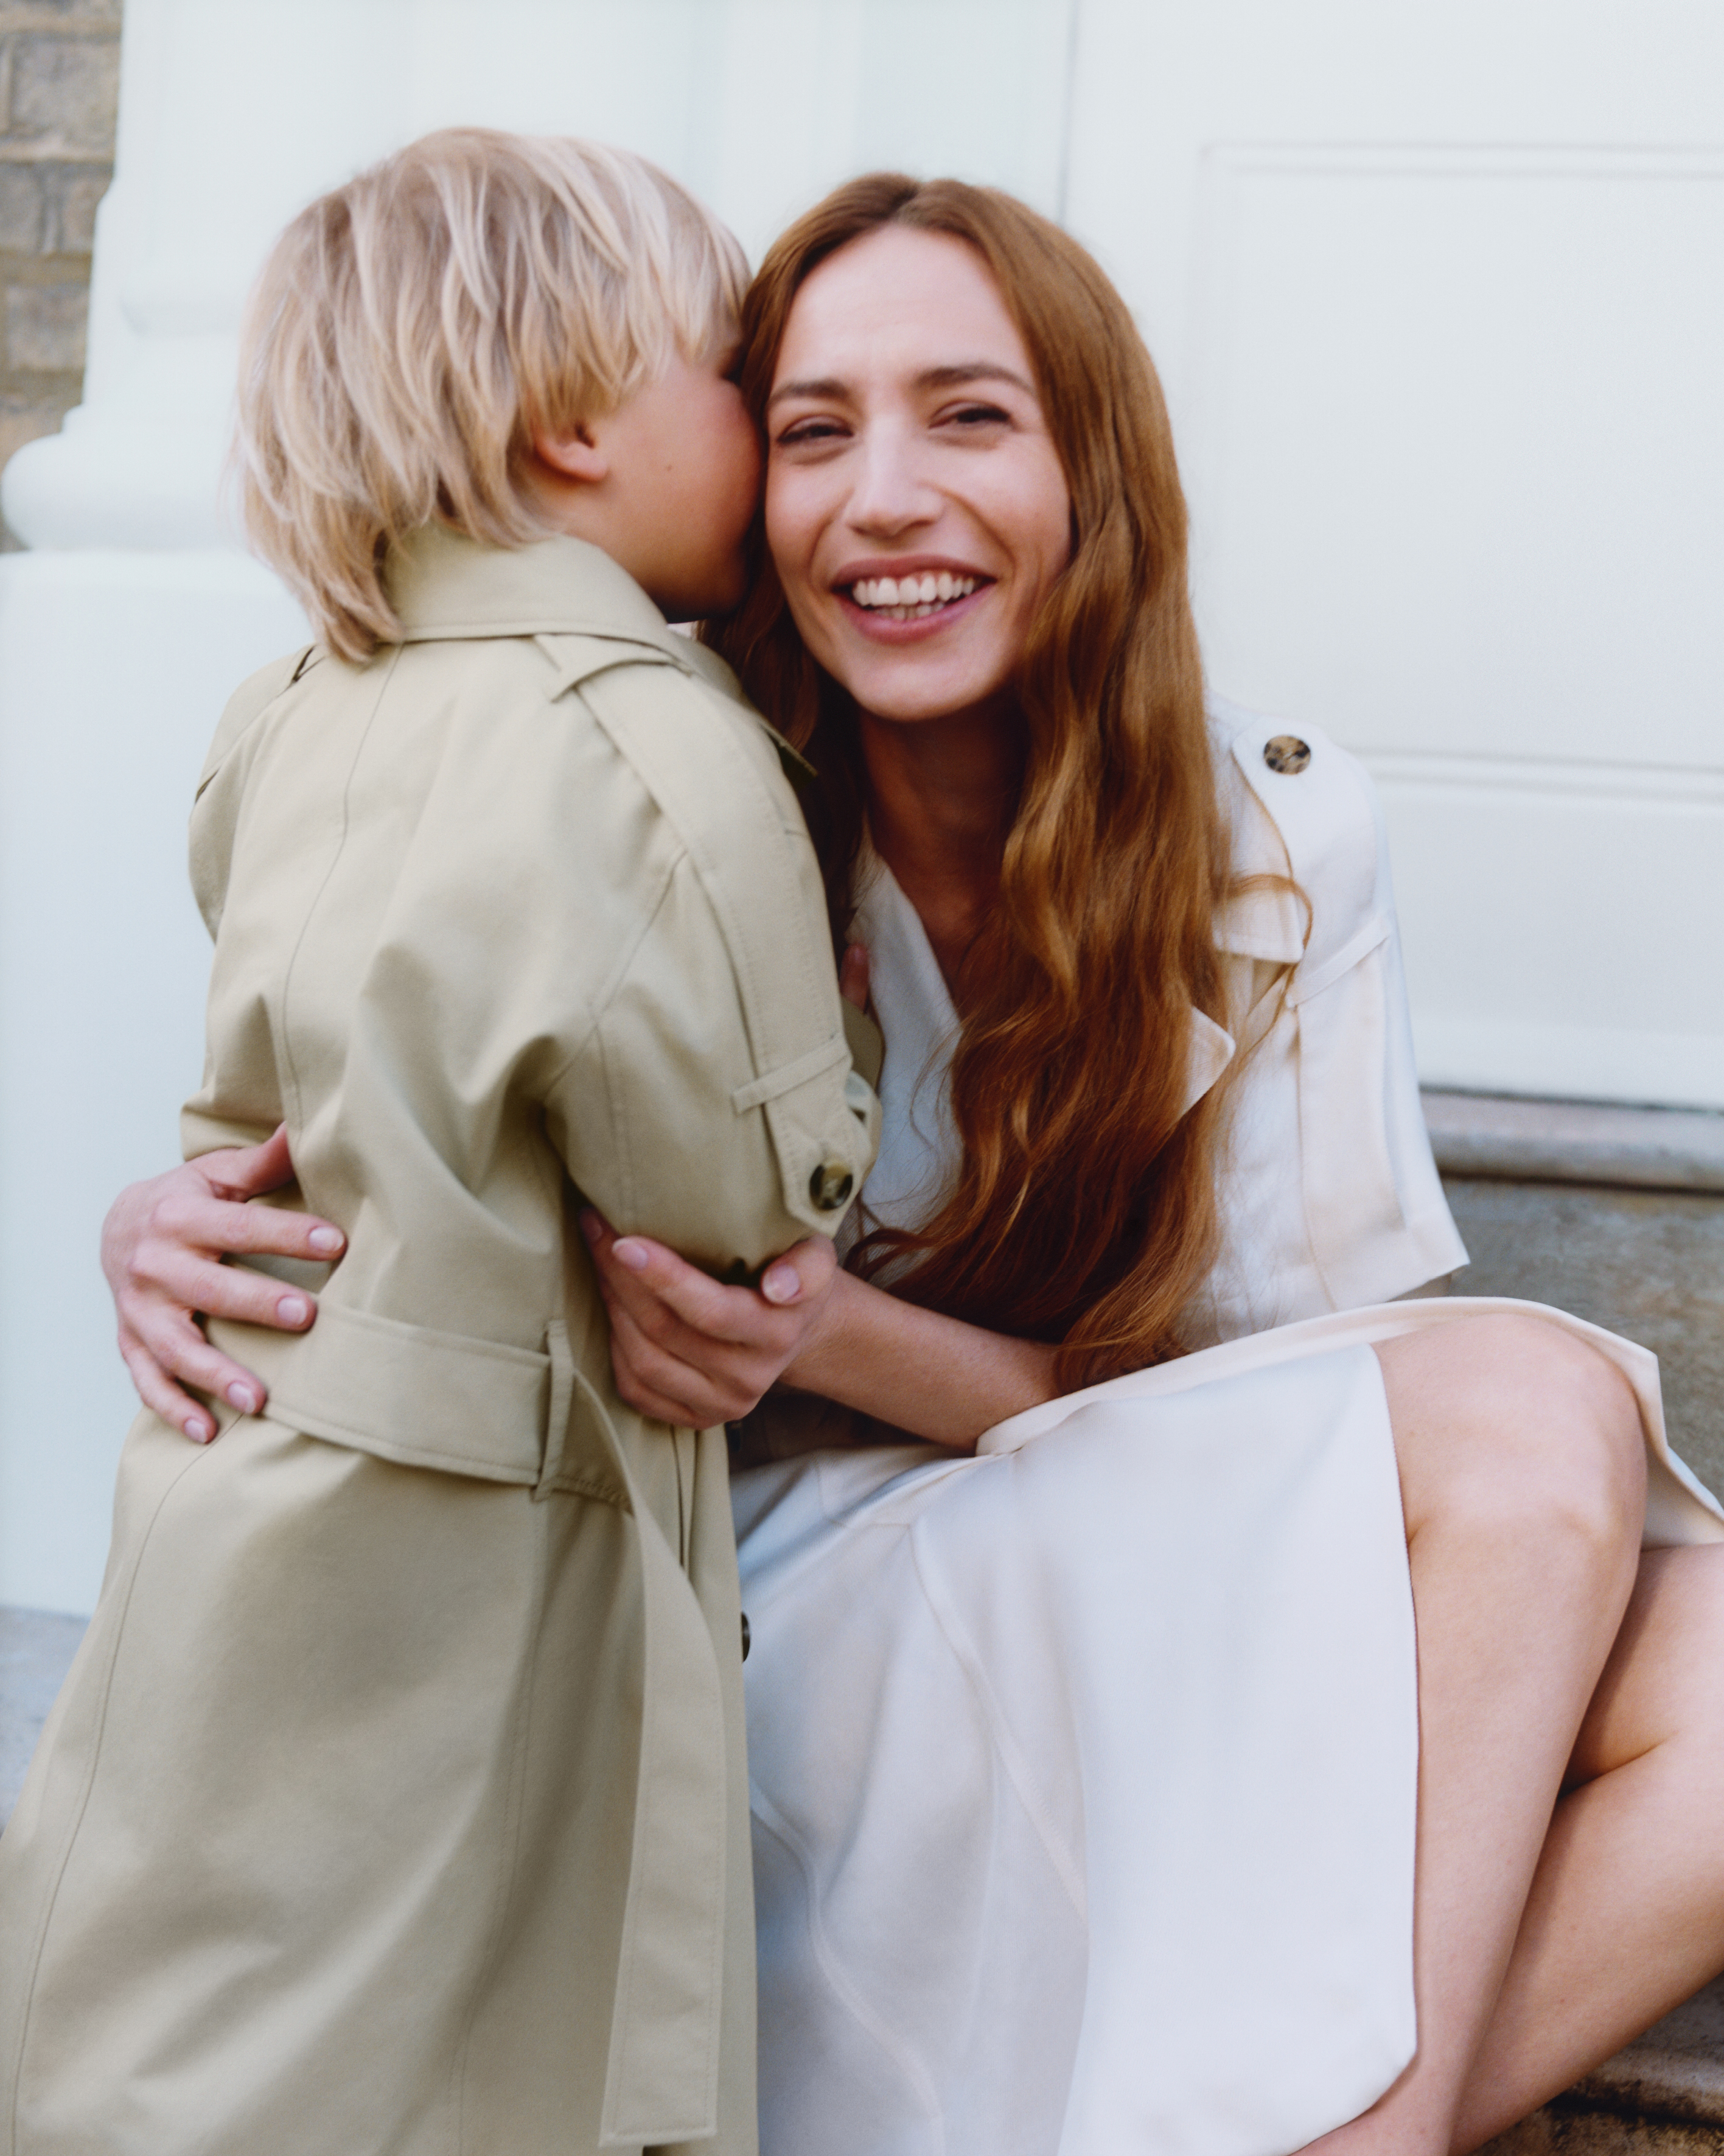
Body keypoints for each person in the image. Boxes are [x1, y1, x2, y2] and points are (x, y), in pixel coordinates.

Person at [99, 175, 1724, 2156]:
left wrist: (831, 1334)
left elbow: (1302, 1425)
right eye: (807, 428)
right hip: (776, 1626)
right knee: (1539, 1402)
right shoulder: (656, 806)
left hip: (1118, 1558)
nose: (880, 497)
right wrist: (164, 1222)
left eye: (967, 415)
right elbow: (391, 1148)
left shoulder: (1271, 843)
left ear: (1087, 469)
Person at [0, 131, 878, 2156]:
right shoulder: (663, 747)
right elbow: (736, 1191)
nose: (755, 416)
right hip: (487, 1536)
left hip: (241, 1467)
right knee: (476, 2032)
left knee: (196, 1991)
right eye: (732, 370)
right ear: (580, 423)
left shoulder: (293, 699)